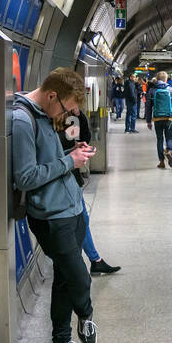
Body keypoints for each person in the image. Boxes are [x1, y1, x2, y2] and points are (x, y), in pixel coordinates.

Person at [11, 67, 99, 343]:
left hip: (71, 207)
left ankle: (61, 341)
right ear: (52, 95)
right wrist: (69, 162)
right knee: (79, 278)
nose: (67, 115)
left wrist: (74, 151)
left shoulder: (46, 115)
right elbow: (25, 177)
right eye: (67, 108)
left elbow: (50, 159)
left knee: (64, 276)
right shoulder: (22, 121)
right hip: (51, 216)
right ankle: (85, 315)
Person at [55, 108, 119, 276]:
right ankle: (91, 261)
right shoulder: (50, 126)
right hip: (62, 181)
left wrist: (78, 115)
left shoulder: (70, 120)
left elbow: (80, 139)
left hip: (70, 178)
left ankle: (95, 260)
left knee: (82, 219)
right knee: (80, 221)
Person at [145, 70, 172, 168]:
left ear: (157, 79)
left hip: (157, 119)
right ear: (166, 79)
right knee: (168, 137)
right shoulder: (171, 90)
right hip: (169, 118)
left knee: (159, 139)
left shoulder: (152, 90)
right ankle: (169, 151)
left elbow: (148, 107)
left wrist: (148, 121)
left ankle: (161, 162)